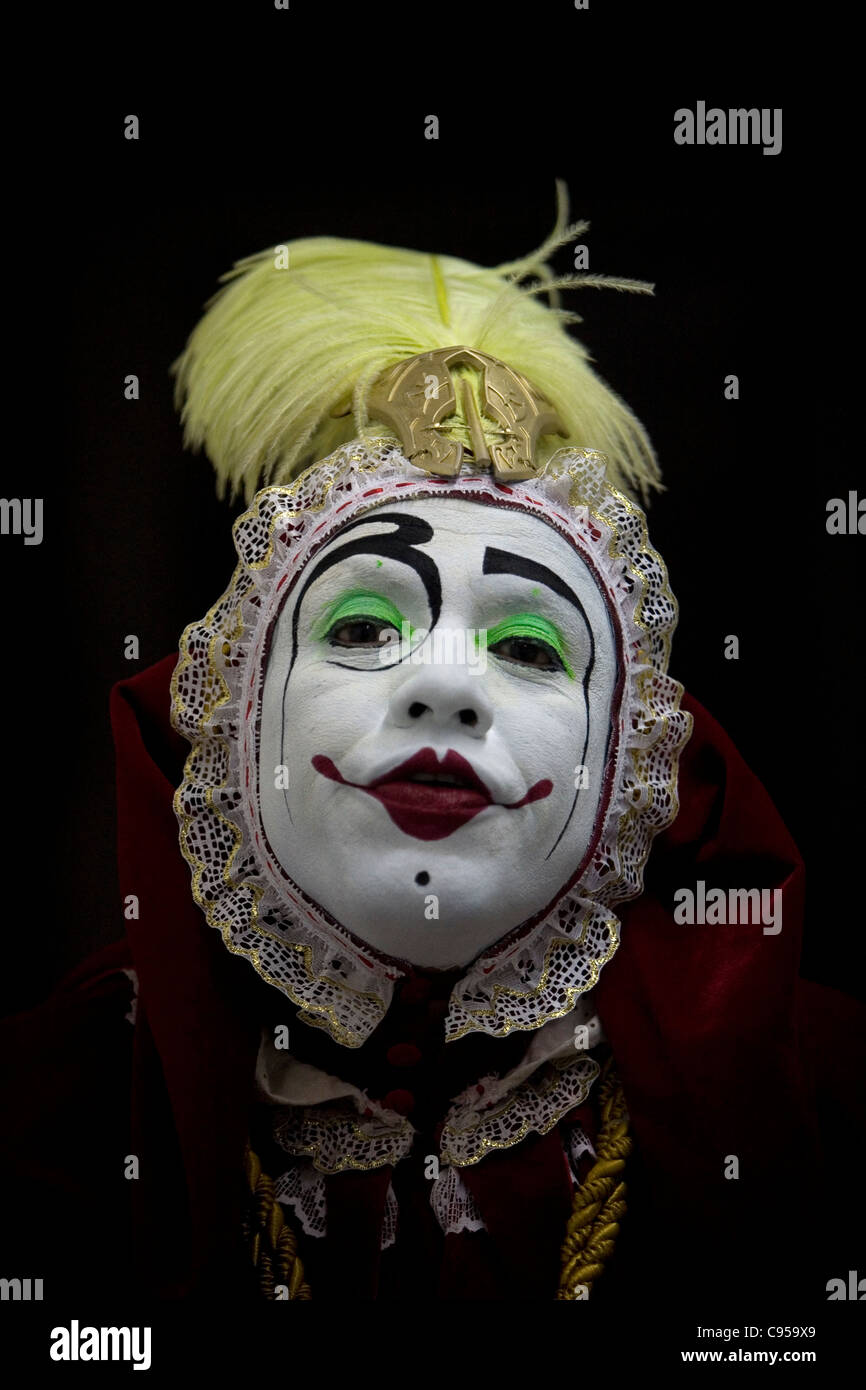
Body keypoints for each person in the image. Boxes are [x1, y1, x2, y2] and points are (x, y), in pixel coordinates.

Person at [3, 191, 863, 1309]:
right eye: (361, 628)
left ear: (629, 764)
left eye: (529, 644)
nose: (448, 686)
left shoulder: (831, 1101)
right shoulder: (47, 1114)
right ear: (230, 714)